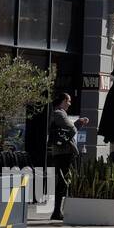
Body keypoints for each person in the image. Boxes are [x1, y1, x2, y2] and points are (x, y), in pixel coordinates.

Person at [47, 93, 86, 221]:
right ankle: (57, 211)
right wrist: (79, 123)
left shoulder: (58, 113)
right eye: (68, 101)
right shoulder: (59, 113)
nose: (70, 103)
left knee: (62, 181)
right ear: (63, 100)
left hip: (62, 152)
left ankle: (58, 211)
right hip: (63, 152)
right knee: (63, 181)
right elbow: (72, 129)